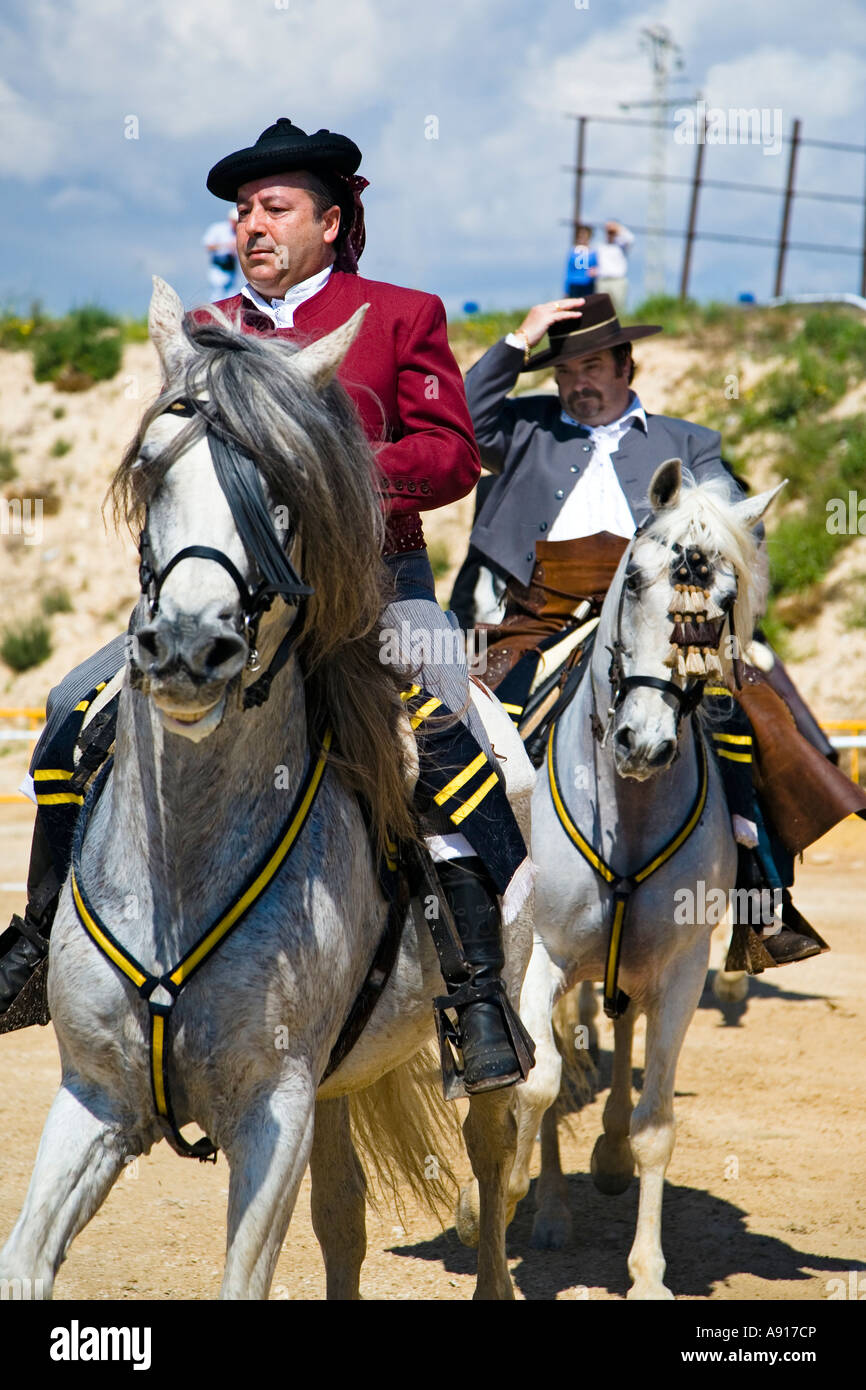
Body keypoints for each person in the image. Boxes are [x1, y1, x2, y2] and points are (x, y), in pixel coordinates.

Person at [0, 119, 534, 1094]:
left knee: (449, 752)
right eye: (242, 210)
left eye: (273, 206)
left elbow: (452, 454)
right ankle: (38, 941)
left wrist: (323, 468)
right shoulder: (201, 332)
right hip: (226, 603)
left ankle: (476, 994)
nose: (252, 223)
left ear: (329, 223)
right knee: (69, 715)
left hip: (377, 592)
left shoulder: (402, 313)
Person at [460, 291, 849, 967]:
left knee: (753, 711)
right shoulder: (522, 429)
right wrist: (518, 341)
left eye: (593, 367)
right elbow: (459, 421)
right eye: (565, 371)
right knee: (480, 726)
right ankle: (483, 892)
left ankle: (761, 895)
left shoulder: (689, 442)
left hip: (665, 620)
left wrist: (702, 581)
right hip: (538, 618)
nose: (578, 383)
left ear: (626, 365)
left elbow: (737, 526)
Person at [588, 220, 634, 315]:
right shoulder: (600, 246)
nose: (610, 233)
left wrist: (618, 228)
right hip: (602, 281)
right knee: (601, 309)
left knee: (619, 308)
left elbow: (630, 239)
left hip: (618, 281)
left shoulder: (622, 245)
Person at [202, 206, 239, 297]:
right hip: (218, 268)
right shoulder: (218, 229)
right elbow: (208, 246)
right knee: (217, 296)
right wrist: (226, 246)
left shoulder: (239, 232)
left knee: (232, 296)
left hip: (232, 268)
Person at [563, 224, 596, 299]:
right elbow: (569, 271)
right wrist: (566, 290)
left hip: (588, 285)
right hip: (574, 284)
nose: (582, 237)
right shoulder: (573, 252)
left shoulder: (594, 252)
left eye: (585, 234)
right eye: (580, 234)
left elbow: (596, 267)